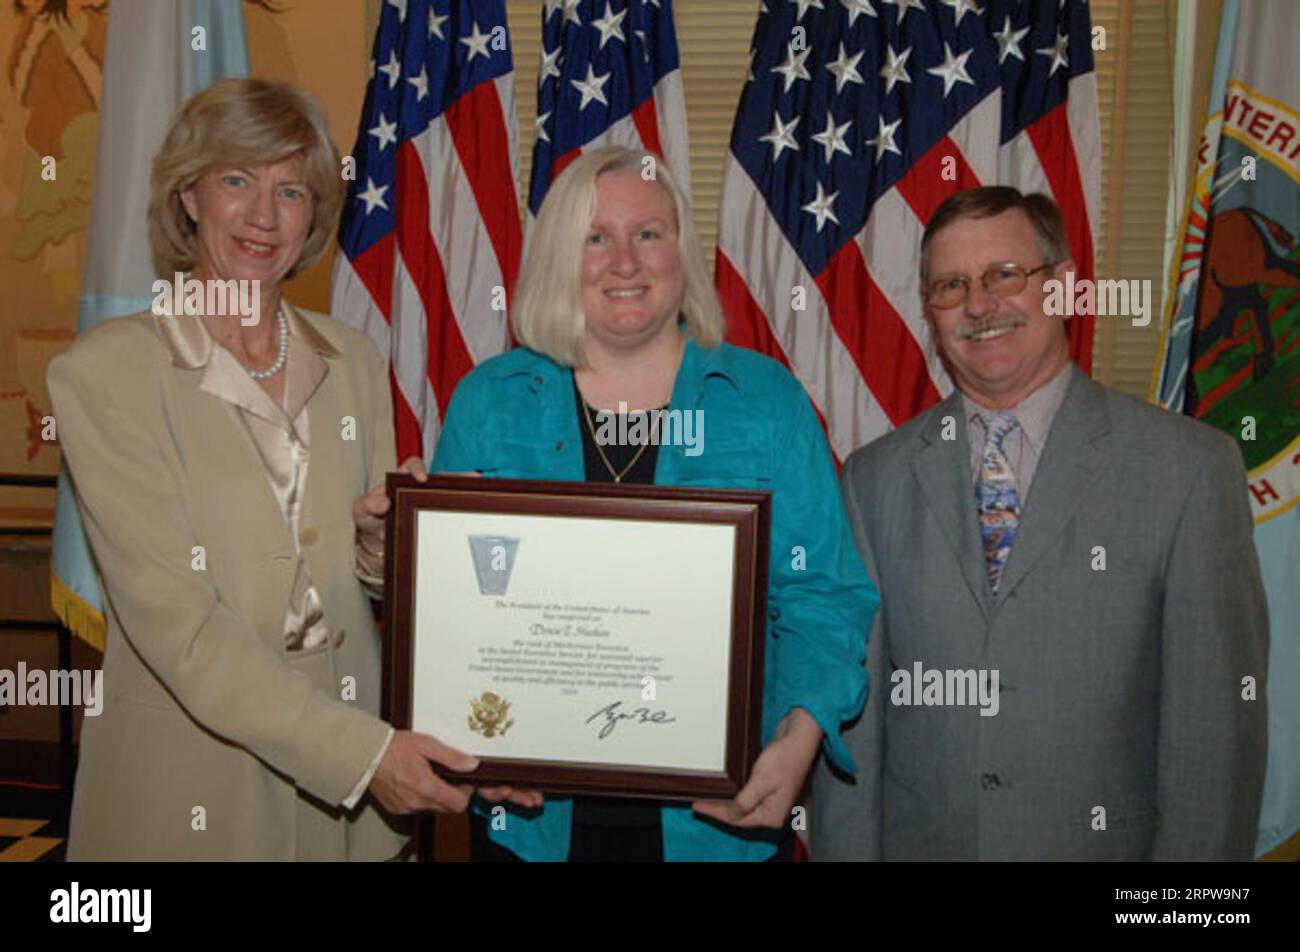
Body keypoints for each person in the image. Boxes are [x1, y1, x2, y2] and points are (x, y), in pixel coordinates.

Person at [353, 146, 878, 861]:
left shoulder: (765, 404)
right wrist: (476, 747)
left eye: (648, 234)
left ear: (682, 255)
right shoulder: (490, 402)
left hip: (719, 828)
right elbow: (452, 619)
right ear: (559, 259)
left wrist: (798, 739)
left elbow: (824, 594)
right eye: (595, 237)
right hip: (532, 830)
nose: (623, 261)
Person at [48, 78, 508, 860]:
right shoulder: (104, 375)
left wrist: (379, 546)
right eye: (237, 181)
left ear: (316, 216)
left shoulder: (354, 358)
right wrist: (364, 757)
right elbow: (180, 627)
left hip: (350, 825)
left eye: (290, 190)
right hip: (192, 796)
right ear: (188, 197)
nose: (264, 216)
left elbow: (363, 586)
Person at [811, 186, 1269, 861]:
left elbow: (1215, 748)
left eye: (1004, 275)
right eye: (951, 285)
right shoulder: (872, 481)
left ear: (1061, 287)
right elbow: (856, 734)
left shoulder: (1189, 470)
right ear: (931, 311)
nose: (979, 304)